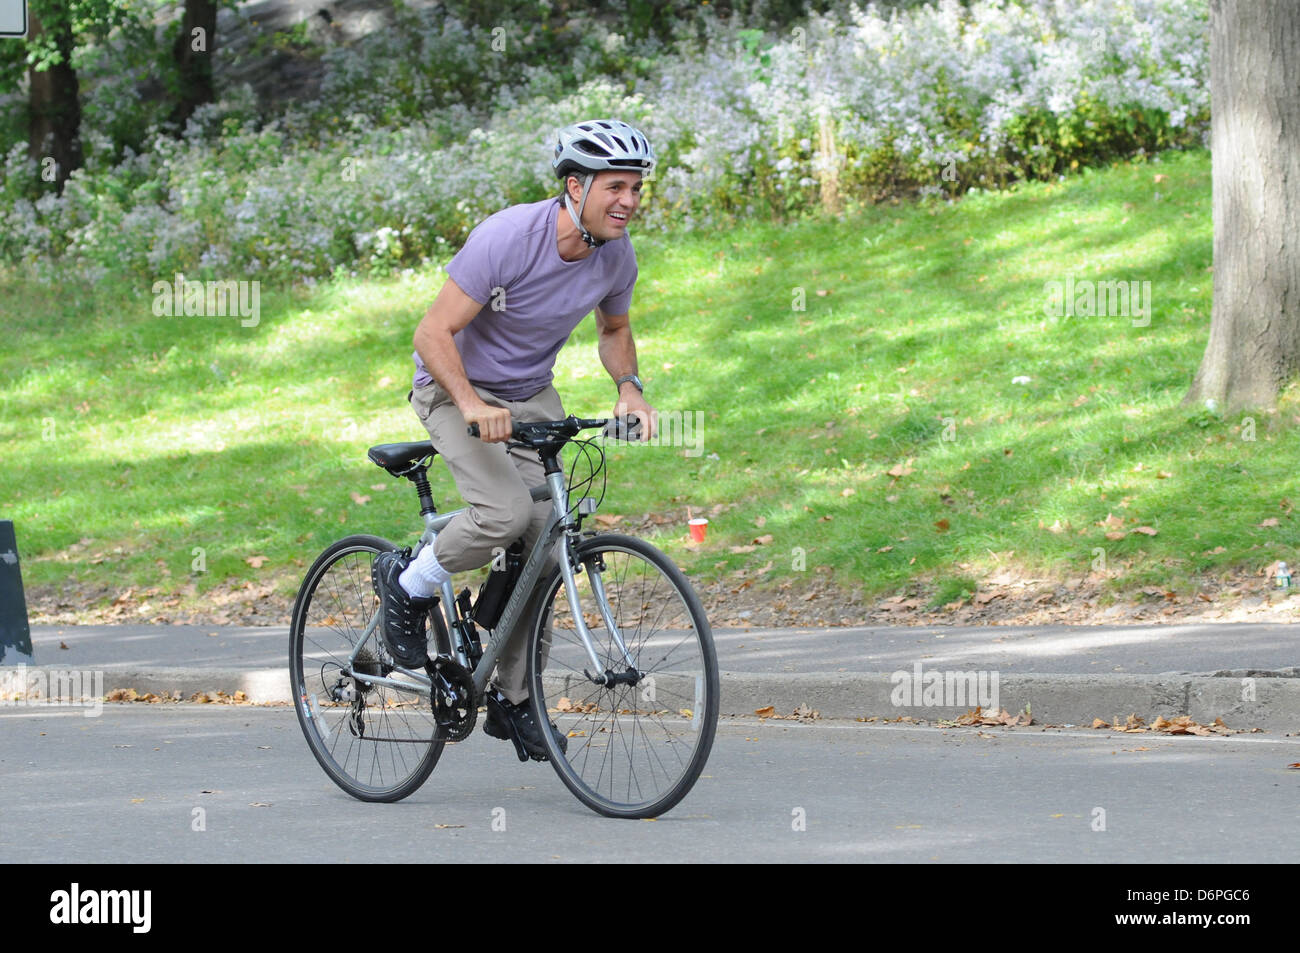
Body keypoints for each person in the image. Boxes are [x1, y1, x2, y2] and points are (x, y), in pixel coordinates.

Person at [371, 119, 658, 761]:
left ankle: (513, 697)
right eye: (616, 187)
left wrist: (630, 387)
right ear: (575, 187)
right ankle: (409, 587)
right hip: (453, 389)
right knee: (501, 512)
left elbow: (614, 330)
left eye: (637, 189)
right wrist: (472, 404)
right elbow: (431, 334)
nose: (629, 201)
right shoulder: (507, 238)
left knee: (550, 548)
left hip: (530, 391)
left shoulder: (617, 252)